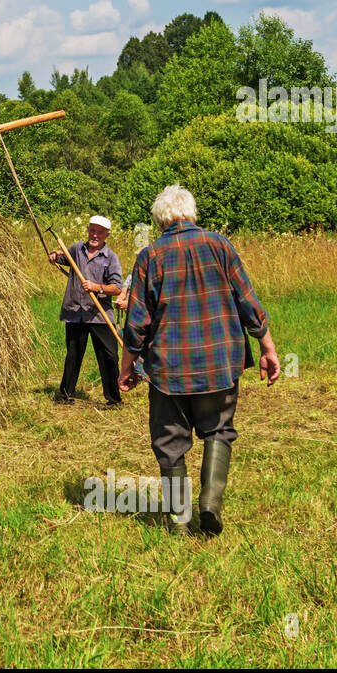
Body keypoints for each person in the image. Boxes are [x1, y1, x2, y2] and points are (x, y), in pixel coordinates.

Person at [117, 185, 280, 536]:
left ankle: (179, 522)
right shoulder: (220, 245)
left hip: (167, 370)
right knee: (218, 430)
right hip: (219, 364)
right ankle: (210, 503)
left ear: (160, 221)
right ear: (191, 214)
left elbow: (137, 323)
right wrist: (267, 347)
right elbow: (248, 303)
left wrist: (127, 365)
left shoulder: (150, 256)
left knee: (170, 440)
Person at [48, 216, 123, 406]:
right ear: (88, 229)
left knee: (109, 357)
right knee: (73, 356)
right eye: (92, 230)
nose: (95, 235)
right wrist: (55, 255)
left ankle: (114, 399)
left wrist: (97, 287)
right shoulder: (76, 249)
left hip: (100, 315)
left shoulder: (111, 258)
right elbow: (63, 257)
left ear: (107, 235)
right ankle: (65, 395)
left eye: (99, 232)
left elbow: (116, 288)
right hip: (75, 312)